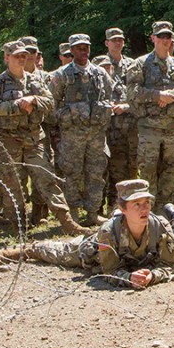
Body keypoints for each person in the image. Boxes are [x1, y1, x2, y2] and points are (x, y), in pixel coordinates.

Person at [0, 179, 174, 288]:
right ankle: (29, 250)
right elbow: (110, 271)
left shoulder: (160, 226)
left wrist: (152, 277)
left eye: (146, 203)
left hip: (133, 263)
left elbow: (170, 266)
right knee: (61, 252)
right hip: (92, 253)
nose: (143, 209)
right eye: (136, 204)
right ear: (122, 209)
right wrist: (128, 279)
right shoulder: (108, 231)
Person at [0, 40, 83, 235]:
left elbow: (50, 102)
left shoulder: (34, 80)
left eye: (24, 56)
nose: (22, 59)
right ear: (7, 58)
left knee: (46, 178)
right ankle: (18, 226)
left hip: (33, 138)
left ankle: (67, 222)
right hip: (9, 140)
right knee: (12, 184)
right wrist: (17, 105)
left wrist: (33, 99)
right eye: (17, 56)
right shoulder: (0, 82)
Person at [126, 21, 174, 207]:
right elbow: (132, 92)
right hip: (150, 127)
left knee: (173, 167)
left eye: (168, 37)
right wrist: (156, 95)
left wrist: (172, 96)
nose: (165, 40)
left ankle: (165, 206)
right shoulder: (140, 64)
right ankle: (147, 207)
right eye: (161, 36)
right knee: (147, 168)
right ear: (153, 38)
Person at [49, 34, 113, 225]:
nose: (83, 51)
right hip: (72, 135)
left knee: (96, 173)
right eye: (78, 48)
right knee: (72, 173)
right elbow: (51, 107)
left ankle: (93, 213)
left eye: (86, 47)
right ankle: (73, 213)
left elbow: (110, 97)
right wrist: (72, 113)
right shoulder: (61, 75)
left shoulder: (100, 74)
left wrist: (102, 111)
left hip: (96, 135)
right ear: (71, 50)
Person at [101, 27, 137, 196]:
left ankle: (129, 199)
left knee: (132, 163)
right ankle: (112, 201)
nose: (117, 42)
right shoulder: (100, 64)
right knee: (112, 165)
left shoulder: (133, 64)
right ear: (107, 43)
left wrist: (127, 106)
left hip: (131, 123)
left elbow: (138, 93)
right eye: (113, 40)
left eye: (120, 40)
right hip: (110, 125)